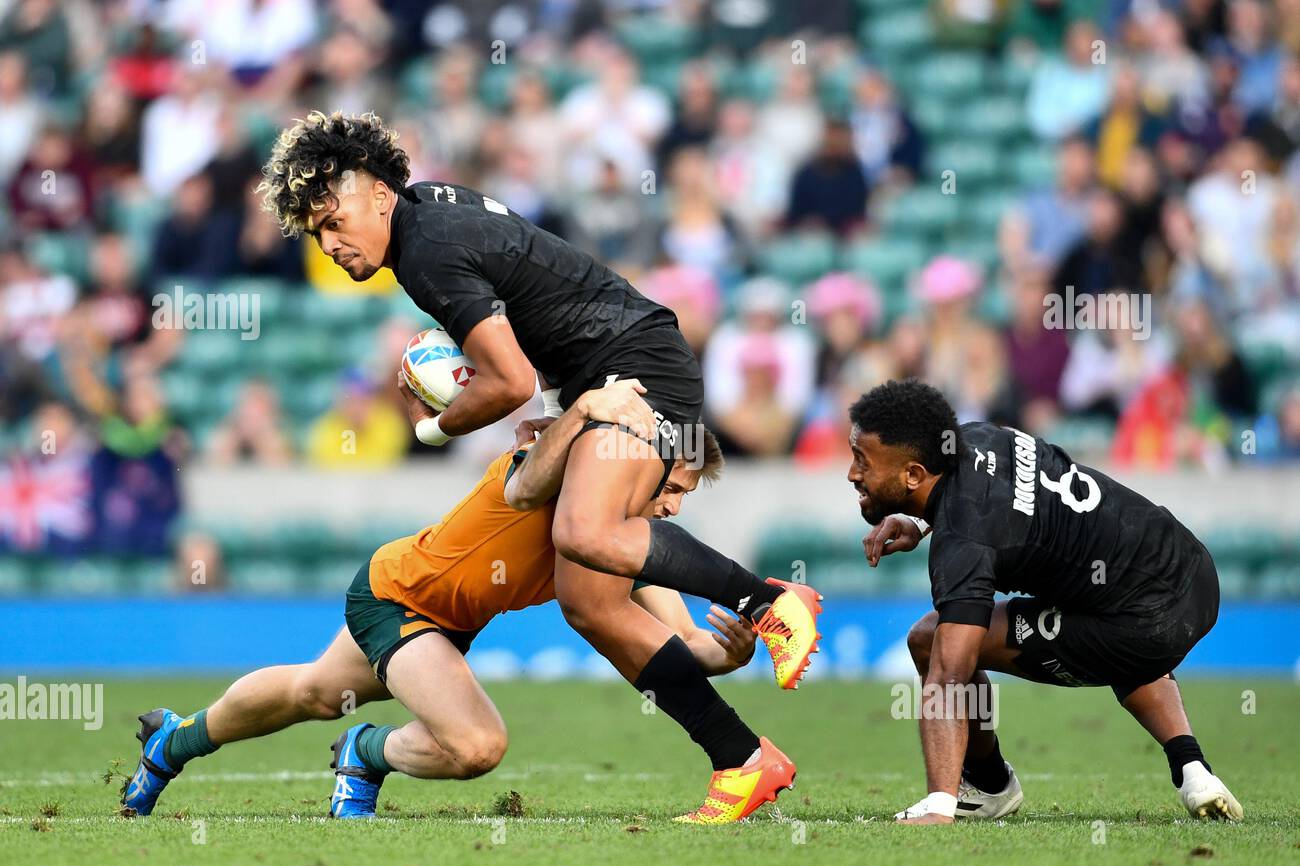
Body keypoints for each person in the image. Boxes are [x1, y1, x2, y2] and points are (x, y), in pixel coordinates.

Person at [254, 113, 823, 806]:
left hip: (635, 371)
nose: (330, 243)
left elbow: (508, 381)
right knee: (589, 604)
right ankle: (741, 759)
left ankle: (770, 601)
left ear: (376, 191)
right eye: (316, 233)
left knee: (584, 533)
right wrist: (560, 412)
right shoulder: (427, 213)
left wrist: (434, 427)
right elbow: (536, 320)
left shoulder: (425, 249)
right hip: (600, 377)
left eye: (333, 219)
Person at [123, 383, 796, 825]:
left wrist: (724, 654)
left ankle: (171, 742)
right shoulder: (558, 474)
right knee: (477, 746)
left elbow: (671, 644)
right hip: (397, 597)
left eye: (685, 495)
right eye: (672, 484)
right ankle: (367, 751)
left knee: (312, 691)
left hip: (433, 617)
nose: (673, 505)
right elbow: (530, 467)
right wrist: (587, 408)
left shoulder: (614, 544)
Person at [848, 379, 1243, 825]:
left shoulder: (964, 541)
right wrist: (921, 524)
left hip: (1145, 620)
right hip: (1191, 569)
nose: (852, 474)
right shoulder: (976, 437)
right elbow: (987, 499)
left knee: (929, 640)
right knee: (1101, 608)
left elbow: (949, 672)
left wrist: (938, 804)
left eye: (862, 461)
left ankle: (989, 786)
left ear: (914, 475)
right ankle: (1192, 768)